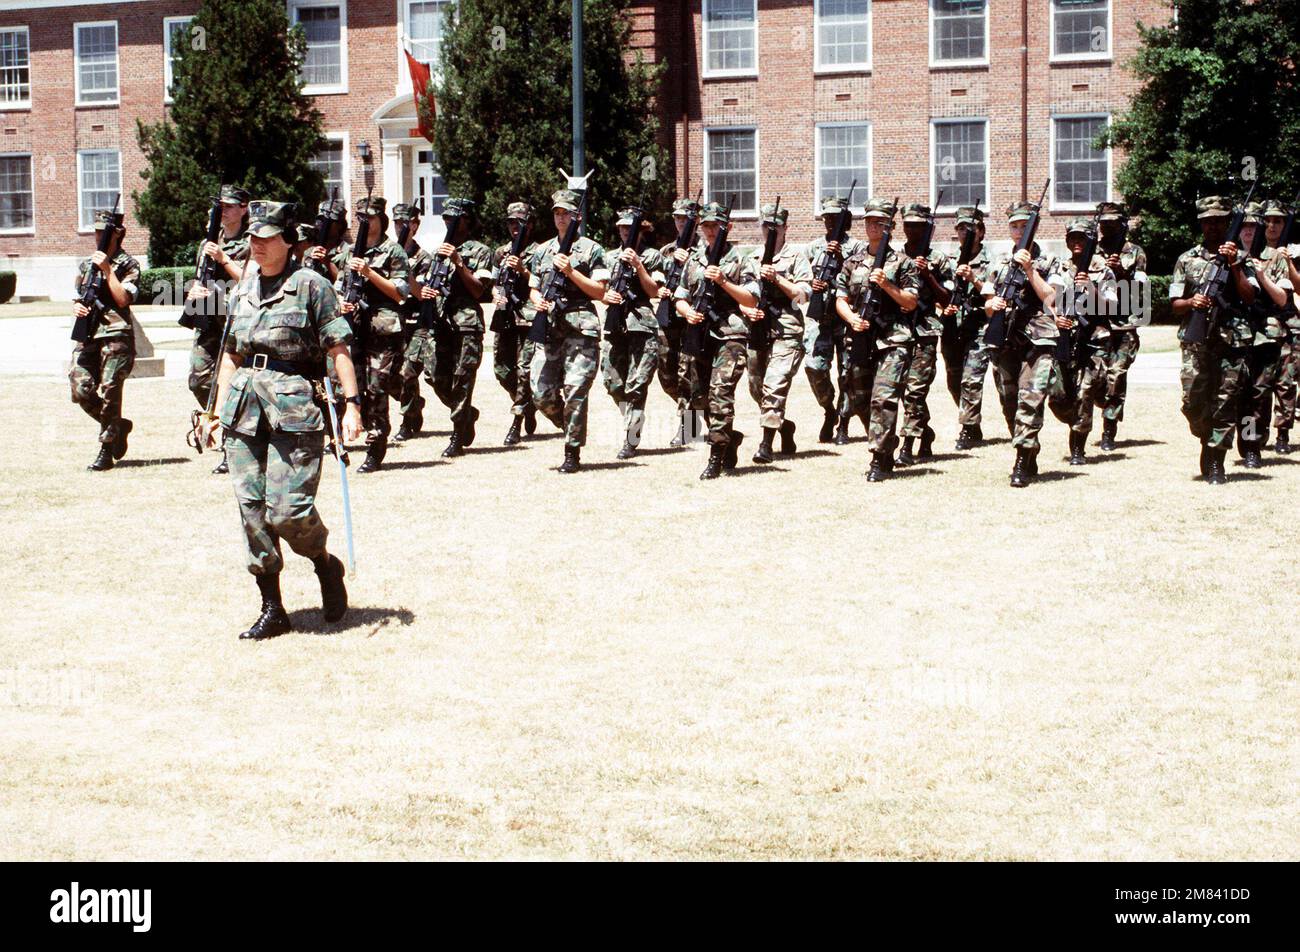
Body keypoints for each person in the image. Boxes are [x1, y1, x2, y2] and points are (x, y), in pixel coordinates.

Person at [197, 200, 362, 640]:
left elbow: (338, 348)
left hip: (293, 410)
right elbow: (231, 354)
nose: (256, 245)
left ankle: (325, 564)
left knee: (288, 512)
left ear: (288, 242)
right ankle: (273, 608)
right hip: (244, 409)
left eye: (266, 238)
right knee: (252, 512)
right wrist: (214, 412)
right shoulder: (244, 288)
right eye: (252, 237)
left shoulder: (311, 285)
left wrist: (352, 404)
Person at [1170, 195, 1257, 484]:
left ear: (1227, 223)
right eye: (1208, 221)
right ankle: (1205, 436)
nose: (1213, 226)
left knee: (1225, 401)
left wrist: (1234, 265)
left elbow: (1250, 296)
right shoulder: (1186, 259)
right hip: (1196, 340)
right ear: (1201, 224)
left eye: (1219, 221)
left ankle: (1217, 459)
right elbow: (1174, 304)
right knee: (1192, 400)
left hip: (1231, 340)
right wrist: (1191, 302)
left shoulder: (1242, 259)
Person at [834, 197, 920, 481]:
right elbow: (840, 299)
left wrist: (887, 285)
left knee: (883, 398)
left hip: (893, 339)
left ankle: (879, 458)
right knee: (859, 399)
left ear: (890, 227)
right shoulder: (853, 262)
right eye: (870, 221)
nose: (874, 226)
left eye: (880, 222)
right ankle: (885, 440)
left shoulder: (903, 263)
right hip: (860, 335)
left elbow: (910, 302)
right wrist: (851, 319)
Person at [984, 200, 1067, 487]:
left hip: (1039, 339)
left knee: (1030, 400)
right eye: (1014, 226)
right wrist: (991, 303)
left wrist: (1031, 270)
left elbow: (1051, 298)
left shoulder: (1050, 260)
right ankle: (1028, 448)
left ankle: (1021, 459)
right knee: (1010, 402)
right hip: (1006, 338)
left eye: (1024, 225)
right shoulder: (999, 261)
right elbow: (987, 300)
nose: (1019, 231)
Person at [527, 188, 609, 473]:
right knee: (540, 393)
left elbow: (600, 291)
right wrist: (538, 300)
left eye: (567, 214)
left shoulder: (591, 249)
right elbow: (533, 289)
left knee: (575, 389)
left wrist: (572, 272)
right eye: (557, 214)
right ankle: (569, 424)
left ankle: (572, 451)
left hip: (580, 326)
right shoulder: (543, 250)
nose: (561, 218)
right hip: (550, 325)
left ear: (578, 216)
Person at [675, 200, 758, 479]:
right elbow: (680, 296)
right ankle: (728, 437)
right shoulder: (694, 259)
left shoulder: (740, 258)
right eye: (706, 226)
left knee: (720, 393)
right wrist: (687, 313)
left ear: (728, 227)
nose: (710, 231)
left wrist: (724, 281)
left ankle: (716, 455)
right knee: (698, 396)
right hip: (699, 333)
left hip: (730, 333)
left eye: (715, 226)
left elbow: (751, 297)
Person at [335, 196, 410, 473]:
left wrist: (369, 272)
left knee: (378, 387)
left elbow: (400, 292)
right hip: (353, 327)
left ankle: (376, 448)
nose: (365, 223)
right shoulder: (349, 252)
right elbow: (336, 286)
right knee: (353, 385)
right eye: (360, 218)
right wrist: (340, 301)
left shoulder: (393, 251)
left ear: (382, 220)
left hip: (383, 329)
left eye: (371, 217)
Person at [416, 197, 494, 458]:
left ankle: (457, 435)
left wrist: (459, 262)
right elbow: (426, 284)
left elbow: (479, 290)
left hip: (466, 325)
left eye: (454, 218)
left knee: (463, 380)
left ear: (467, 221)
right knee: (434, 376)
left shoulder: (480, 251)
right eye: (446, 218)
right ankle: (467, 414)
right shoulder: (437, 252)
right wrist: (424, 290)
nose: (448, 222)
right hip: (440, 322)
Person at [183, 184, 250, 474]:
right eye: (221, 207)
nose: (224, 211)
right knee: (198, 379)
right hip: (209, 317)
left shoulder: (251, 241)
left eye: (230, 206)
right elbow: (199, 277)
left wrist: (224, 258)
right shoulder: (208, 241)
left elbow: (251, 279)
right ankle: (224, 423)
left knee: (234, 383)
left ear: (244, 208)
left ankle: (231, 442)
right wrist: (192, 293)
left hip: (235, 320)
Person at [70, 208, 141, 472]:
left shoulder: (130, 265)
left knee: (111, 392)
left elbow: (123, 299)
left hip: (116, 335)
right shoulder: (86, 265)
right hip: (88, 334)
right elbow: (78, 296)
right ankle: (118, 426)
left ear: (118, 234)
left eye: (104, 232)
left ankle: (106, 449)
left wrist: (108, 269)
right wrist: (77, 307)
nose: (98, 236)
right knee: (80, 389)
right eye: (97, 231)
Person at [740, 202, 811, 463]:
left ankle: (765, 445)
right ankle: (783, 425)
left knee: (774, 386)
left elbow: (802, 296)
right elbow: (743, 294)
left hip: (787, 329)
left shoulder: (796, 257)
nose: (771, 231)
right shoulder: (752, 258)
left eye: (776, 227)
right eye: (766, 226)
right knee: (756, 387)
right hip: (759, 328)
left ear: (785, 228)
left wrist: (777, 279)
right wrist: (747, 311)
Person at [1046, 217, 1117, 465]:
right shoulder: (1060, 267)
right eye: (1073, 238)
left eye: (1082, 238)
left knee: (1084, 393)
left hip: (1094, 340)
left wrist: (1090, 287)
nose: (1077, 243)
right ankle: (1083, 415)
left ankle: (1078, 448)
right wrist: (1056, 319)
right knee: (1057, 396)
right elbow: (1050, 300)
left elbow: (1111, 307)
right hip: (1066, 337)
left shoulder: (1103, 269)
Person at [601, 208, 665, 459]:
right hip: (615, 323)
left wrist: (638, 265)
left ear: (641, 231)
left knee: (637, 384)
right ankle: (633, 418)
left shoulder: (652, 256)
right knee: (612, 381)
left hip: (641, 324)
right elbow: (600, 288)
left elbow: (653, 291)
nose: (626, 231)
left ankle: (631, 436)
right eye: (622, 227)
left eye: (631, 227)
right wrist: (607, 295)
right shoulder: (608, 258)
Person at [804, 196, 866, 445]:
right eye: (827, 217)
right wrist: (813, 283)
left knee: (847, 373)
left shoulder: (858, 248)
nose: (830, 222)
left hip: (847, 316)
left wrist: (842, 259)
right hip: (822, 318)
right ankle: (829, 408)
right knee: (815, 367)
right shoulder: (813, 248)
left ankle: (843, 421)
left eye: (836, 218)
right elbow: (804, 279)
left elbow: (861, 279)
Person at [897, 202, 953, 466]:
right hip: (897, 331)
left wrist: (928, 275)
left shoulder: (938, 259)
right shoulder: (894, 256)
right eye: (908, 225)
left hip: (925, 331)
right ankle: (924, 430)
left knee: (915, 391)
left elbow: (948, 296)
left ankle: (907, 445)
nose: (913, 231)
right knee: (900, 389)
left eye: (918, 226)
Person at [1236, 202, 1287, 467]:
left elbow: (1281, 299)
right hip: (1233, 334)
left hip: (1265, 335)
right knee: (1237, 391)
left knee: (1259, 392)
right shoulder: (1229, 256)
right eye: (1243, 227)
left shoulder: (1274, 257)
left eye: (1253, 227)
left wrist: (1260, 274)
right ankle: (1241, 440)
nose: (1248, 232)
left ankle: (1252, 447)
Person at [655, 197, 709, 446]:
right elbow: (654, 280)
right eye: (676, 218)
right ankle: (702, 413)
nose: (679, 223)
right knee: (667, 375)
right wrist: (660, 290)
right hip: (668, 318)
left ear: (695, 221)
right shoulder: (666, 250)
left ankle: (688, 426)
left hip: (691, 317)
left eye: (685, 218)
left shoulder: (705, 249)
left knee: (689, 373)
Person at [941, 206, 996, 450]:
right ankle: (973, 424)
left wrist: (974, 279)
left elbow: (994, 295)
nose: (965, 233)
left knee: (971, 380)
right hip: (953, 329)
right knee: (954, 381)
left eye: (971, 229)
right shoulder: (948, 261)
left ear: (981, 233)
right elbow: (939, 293)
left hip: (979, 328)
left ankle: (967, 428)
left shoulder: (992, 261)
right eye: (961, 229)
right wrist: (943, 307)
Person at [1094, 201, 1147, 450]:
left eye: (1113, 223)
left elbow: (1141, 294)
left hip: (1124, 326)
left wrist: (1122, 273)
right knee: (1096, 379)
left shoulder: (1135, 252)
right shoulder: (1091, 251)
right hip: (1096, 324)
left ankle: (1109, 429)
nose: (1108, 228)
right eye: (1104, 223)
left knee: (1116, 376)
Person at [491, 202, 540, 445]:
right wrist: (495, 294)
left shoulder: (539, 252)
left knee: (524, 370)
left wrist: (523, 270)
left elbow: (541, 284)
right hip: (505, 315)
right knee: (501, 369)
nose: (515, 227)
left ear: (530, 225)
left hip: (528, 317)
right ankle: (527, 404)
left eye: (520, 222)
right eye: (511, 222)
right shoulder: (500, 252)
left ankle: (517, 420)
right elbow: (493, 282)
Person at [390, 202, 432, 444]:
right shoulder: (387, 253)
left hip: (416, 323)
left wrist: (404, 269)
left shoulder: (423, 258)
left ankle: (407, 421)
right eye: (397, 223)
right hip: (391, 323)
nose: (401, 228)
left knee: (407, 373)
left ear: (415, 225)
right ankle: (414, 404)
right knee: (387, 376)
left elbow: (420, 293)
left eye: (406, 223)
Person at [1263, 201, 1300, 453]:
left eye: (1278, 221)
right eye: (1269, 220)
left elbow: (1299, 288)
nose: (1273, 225)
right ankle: (1254, 435)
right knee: (1259, 382)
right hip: (1261, 324)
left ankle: (1283, 434)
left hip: (1289, 324)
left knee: (1286, 383)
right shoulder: (1253, 249)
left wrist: (1290, 264)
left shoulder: (1294, 251)